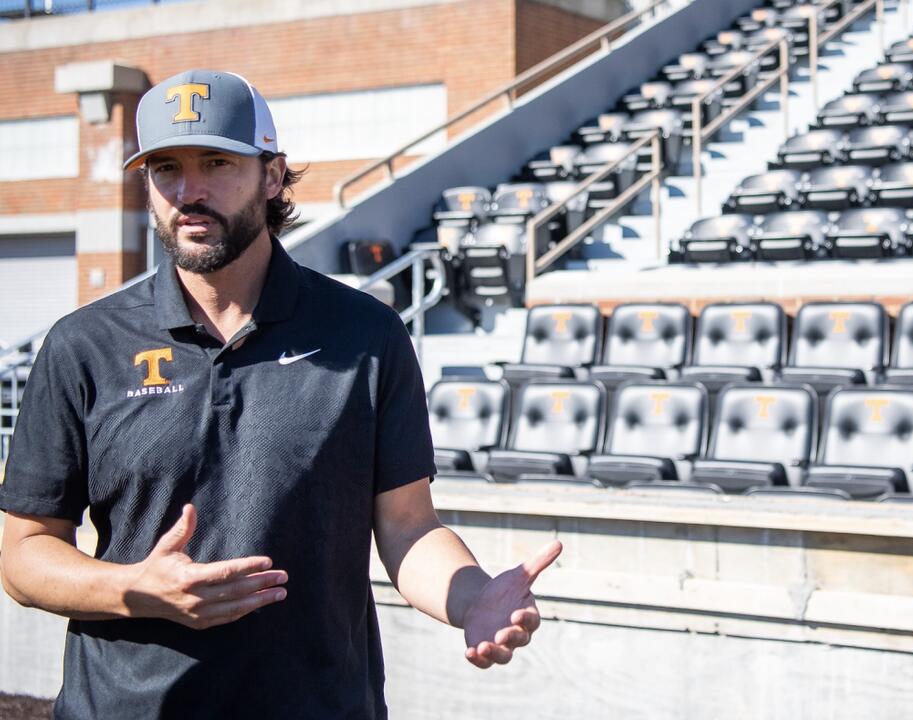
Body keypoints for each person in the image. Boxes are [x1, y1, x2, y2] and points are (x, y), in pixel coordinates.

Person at [0, 69, 561, 719]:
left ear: (272, 176)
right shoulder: (82, 345)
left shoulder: (365, 335)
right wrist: (134, 589)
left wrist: (470, 597)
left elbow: (409, 528)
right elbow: (23, 553)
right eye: (166, 168)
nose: (189, 191)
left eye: (217, 162)